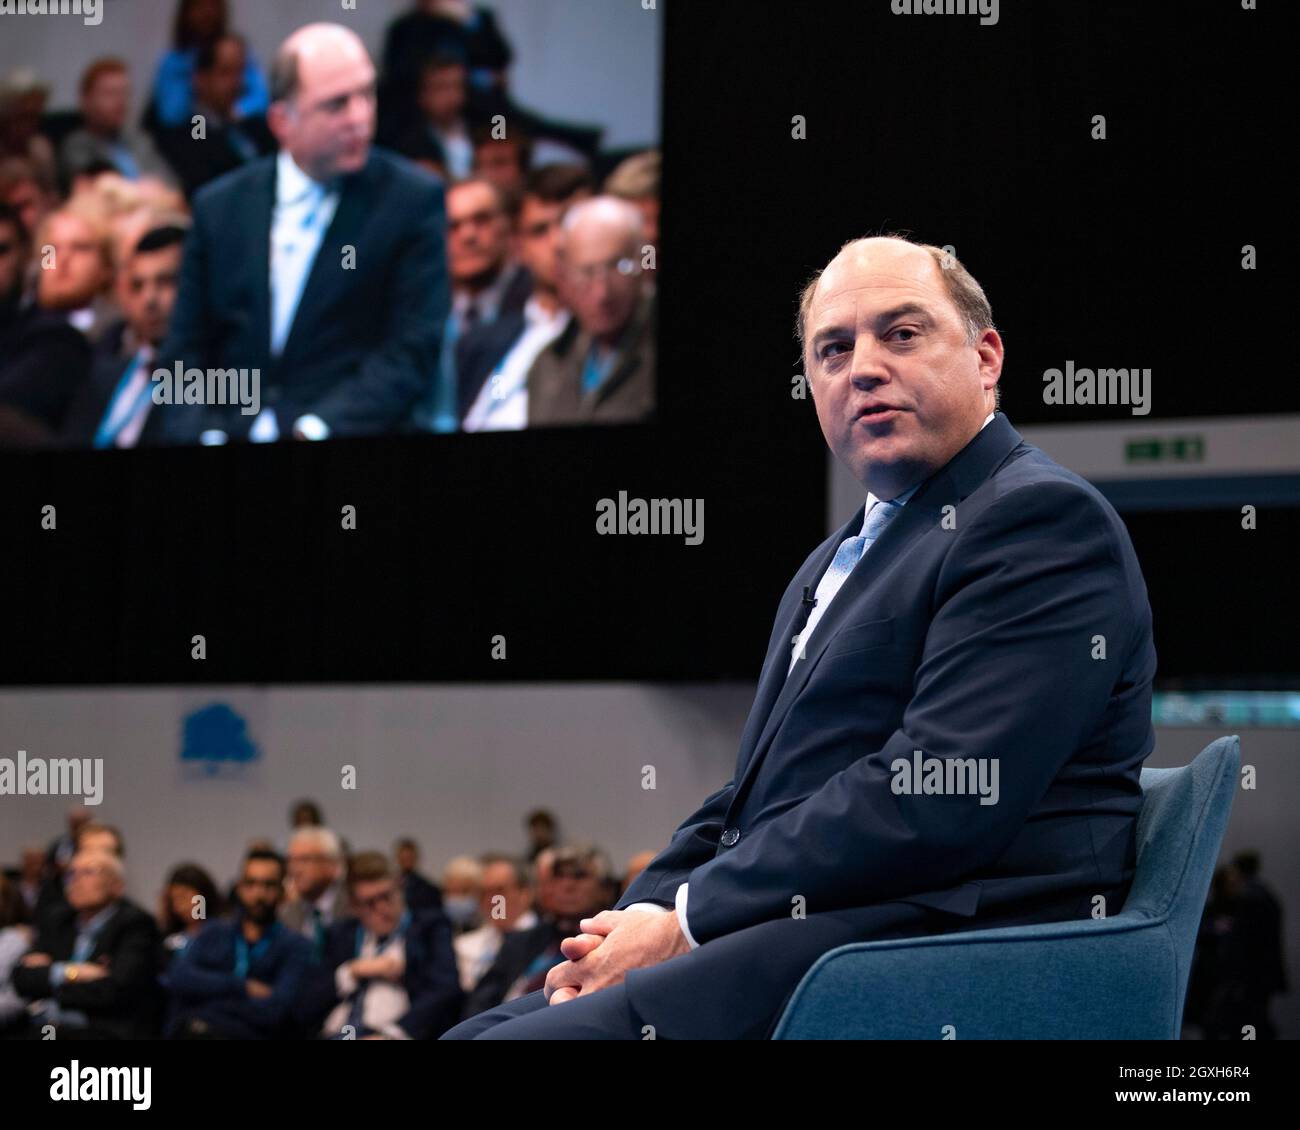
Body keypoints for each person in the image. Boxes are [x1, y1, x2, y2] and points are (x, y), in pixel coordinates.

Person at [443, 234, 1157, 1039]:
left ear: (986, 357)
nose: (863, 368)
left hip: (938, 945)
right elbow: (750, 801)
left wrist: (686, 919)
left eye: (902, 332)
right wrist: (630, 919)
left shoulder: (1037, 520)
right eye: (832, 349)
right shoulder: (838, 556)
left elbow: (941, 789)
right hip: (825, 924)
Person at [157, 22, 448, 444]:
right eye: (337, 105)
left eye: (367, 95)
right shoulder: (218, 208)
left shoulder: (410, 201)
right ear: (281, 122)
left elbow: (410, 352)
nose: (361, 118)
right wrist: (205, 436)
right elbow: (183, 356)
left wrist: (314, 430)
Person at [460, 162, 591, 430]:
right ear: (518, 248)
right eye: (540, 230)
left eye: (569, 225)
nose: (558, 243)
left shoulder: (613, 338)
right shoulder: (480, 342)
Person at [296, 852, 463, 1039]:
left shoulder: (429, 928)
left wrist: (391, 1035)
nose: (382, 909)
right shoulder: (340, 935)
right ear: (354, 905)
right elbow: (307, 1001)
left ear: (400, 888)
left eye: (386, 896)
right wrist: (352, 971)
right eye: (369, 903)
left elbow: (445, 990)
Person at [526, 196, 655, 428]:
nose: (601, 293)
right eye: (585, 272)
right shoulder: (547, 364)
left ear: (644, 264)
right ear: (563, 274)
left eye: (618, 267)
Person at [416, 176, 529, 431]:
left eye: (482, 220)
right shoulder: (424, 309)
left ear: (508, 226)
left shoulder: (534, 302)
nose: (468, 236)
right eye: (453, 226)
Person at [11, 850, 161, 1039]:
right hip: (48, 1029)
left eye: (88, 872)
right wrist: (71, 972)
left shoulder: (136, 924)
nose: (75, 880)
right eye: (70, 873)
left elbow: (115, 990)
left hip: (106, 1032)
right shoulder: (58, 920)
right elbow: (21, 977)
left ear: (116, 885)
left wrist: (50, 979)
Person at [62, 222, 187, 448]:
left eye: (166, 282)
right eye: (138, 286)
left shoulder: (214, 378)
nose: (149, 299)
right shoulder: (102, 376)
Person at [163, 849, 309, 1039]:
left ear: (282, 891)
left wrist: (207, 998)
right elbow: (180, 977)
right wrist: (242, 986)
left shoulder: (295, 946)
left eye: (268, 885)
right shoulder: (215, 932)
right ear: (239, 887)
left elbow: (275, 1010)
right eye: (251, 884)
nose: (259, 894)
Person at [461, 844, 609, 1018]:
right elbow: (479, 1004)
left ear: (604, 889)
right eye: (559, 876)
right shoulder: (519, 941)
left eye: (579, 876)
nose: (567, 885)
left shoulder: (613, 944)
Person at [157, 34, 275, 199]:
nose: (236, 82)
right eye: (225, 72)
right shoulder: (195, 127)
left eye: (240, 71)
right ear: (201, 79)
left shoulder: (252, 125)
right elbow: (204, 180)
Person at [147, 0, 270, 133]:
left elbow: (261, 98)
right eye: (225, 72)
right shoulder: (175, 61)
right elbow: (171, 115)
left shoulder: (236, 52)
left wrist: (235, 112)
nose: (208, 13)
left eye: (213, 5)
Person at [60, 59, 175, 186]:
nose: (121, 102)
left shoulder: (139, 140)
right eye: (111, 93)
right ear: (85, 100)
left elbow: (172, 186)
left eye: (125, 93)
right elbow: (103, 192)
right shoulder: (77, 146)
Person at [454, 855, 537, 992]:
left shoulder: (548, 942)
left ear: (524, 894)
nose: (492, 900)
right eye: (484, 893)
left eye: (499, 891)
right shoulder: (463, 946)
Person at [279, 826, 349, 957]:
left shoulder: (354, 908)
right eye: (290, 861)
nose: (295, 869)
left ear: (331, 864)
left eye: (304, 860)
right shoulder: (285, 915)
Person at [157, 862, 223, 963]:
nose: (179, 907)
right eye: (174, 900)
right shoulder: (172, 936)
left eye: (184, 897)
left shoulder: (222, 930)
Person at [394, 837, 443, 914]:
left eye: (409, 858)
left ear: (416, 858)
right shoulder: (389, 887)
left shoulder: (429, 889)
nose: (406, 861)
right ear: (397, 858)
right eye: (403, 858)